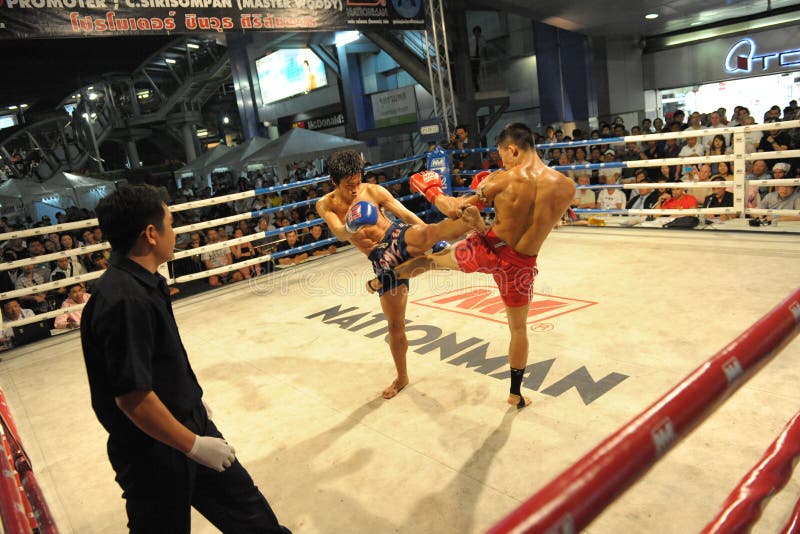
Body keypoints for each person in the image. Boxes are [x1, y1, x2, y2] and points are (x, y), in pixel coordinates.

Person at [80, 184, 290, 533]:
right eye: (170, 224)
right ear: (151, 234)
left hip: (186, 424)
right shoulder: (124, 299)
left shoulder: (143, 283)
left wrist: (189, 399)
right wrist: (193, 446)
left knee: (256, 521)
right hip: (154, 450)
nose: (175, 233)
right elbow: (132, 397)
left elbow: (157, 362)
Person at [368, 123, 576, 409]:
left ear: (513, 149)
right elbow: (532, 222)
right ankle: (515, 393)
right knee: (518, 329)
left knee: (431, 260)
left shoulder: (501, 180)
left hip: (487, 248)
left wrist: (432, 191)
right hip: (521, 266)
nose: (503, 161)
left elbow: (454, 209)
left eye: (502, 155)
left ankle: (385, 279)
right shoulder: (567, 187)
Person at [316, 149, 484, 400]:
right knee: (395, 326)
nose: (355, 189)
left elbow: (405, 215)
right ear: (333, 182)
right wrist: (352, 224)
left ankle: (475, 218)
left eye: (358, 182)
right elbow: (340, 233)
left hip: (396, 237)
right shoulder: (326, 205)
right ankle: (402, 377)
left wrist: (428, 236)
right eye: (349, 185)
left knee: (430, 233)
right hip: (380, 259)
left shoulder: (373, 191)